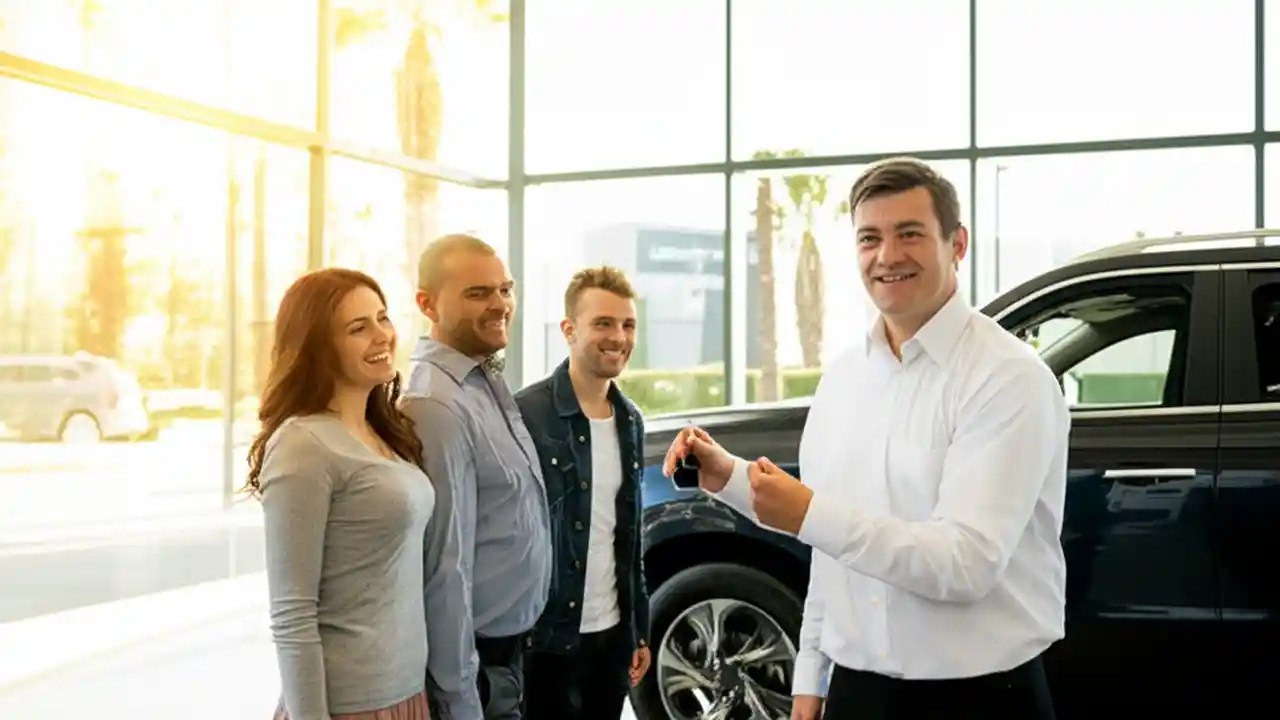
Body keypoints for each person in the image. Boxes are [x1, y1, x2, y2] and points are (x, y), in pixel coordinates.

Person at [663, 157, 1070, 720]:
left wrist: (808, 512)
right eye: (869, 238)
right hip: (858, 693)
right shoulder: (844, 379)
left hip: (981, 698)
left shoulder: (1008, 378)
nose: (887, 256)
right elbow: (837, 550)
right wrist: (812, 675)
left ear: (958, 244)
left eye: (910, 234)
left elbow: (964, 564)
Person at [246, 268, 437, 720]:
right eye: (358, 328)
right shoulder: (303, 444)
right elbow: (292, 614)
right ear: (318, 346)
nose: (381, 335)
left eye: (382, 318)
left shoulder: (384, 432)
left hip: (407, 694)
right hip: (349, 706)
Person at [400, 234, 553, 720]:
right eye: (477, 293)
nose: (500, 304)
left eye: (505, 289)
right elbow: (446, 567)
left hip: (513, 658)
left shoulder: (481, 380)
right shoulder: (436, 405)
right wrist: (461, 700)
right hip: (478, 674)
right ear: (427, 303)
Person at [514, 267, 652, 720]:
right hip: (544, 642)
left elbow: (628, 538)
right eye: (603, 323)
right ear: (569, 330)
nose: (618, 337)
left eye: (628, 324)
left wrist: (638, 630)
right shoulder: (526, 414)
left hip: (611, 640)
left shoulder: (630, 420)